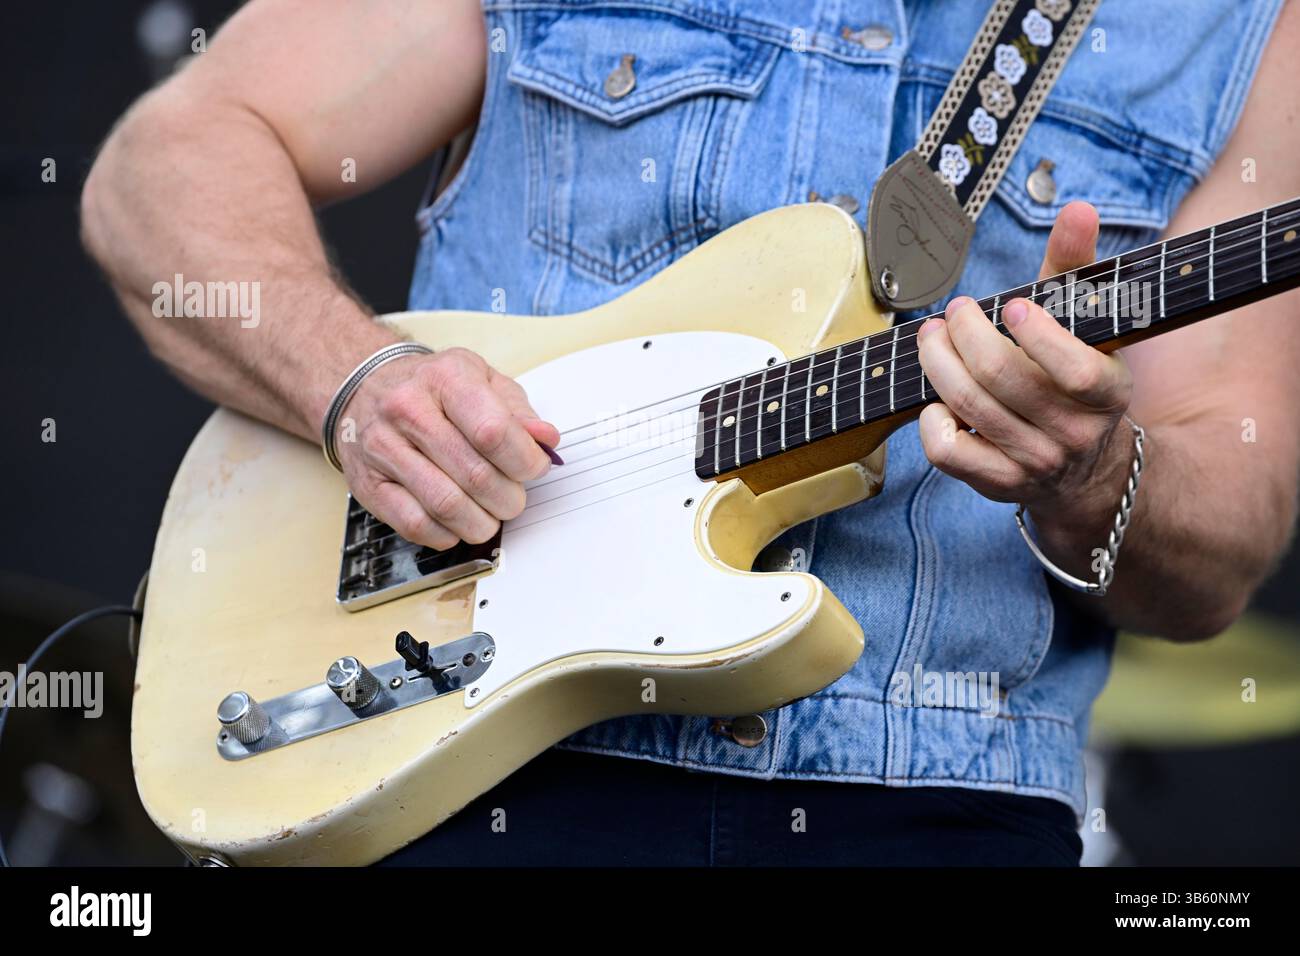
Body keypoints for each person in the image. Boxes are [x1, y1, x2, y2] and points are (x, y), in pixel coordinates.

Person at [80, 0, 1300, 865]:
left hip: (941, 804)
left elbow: (1220, 545)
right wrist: (356, 383)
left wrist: (1090, 468)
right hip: (475, 769)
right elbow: (166, 163)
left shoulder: (1242, 23)